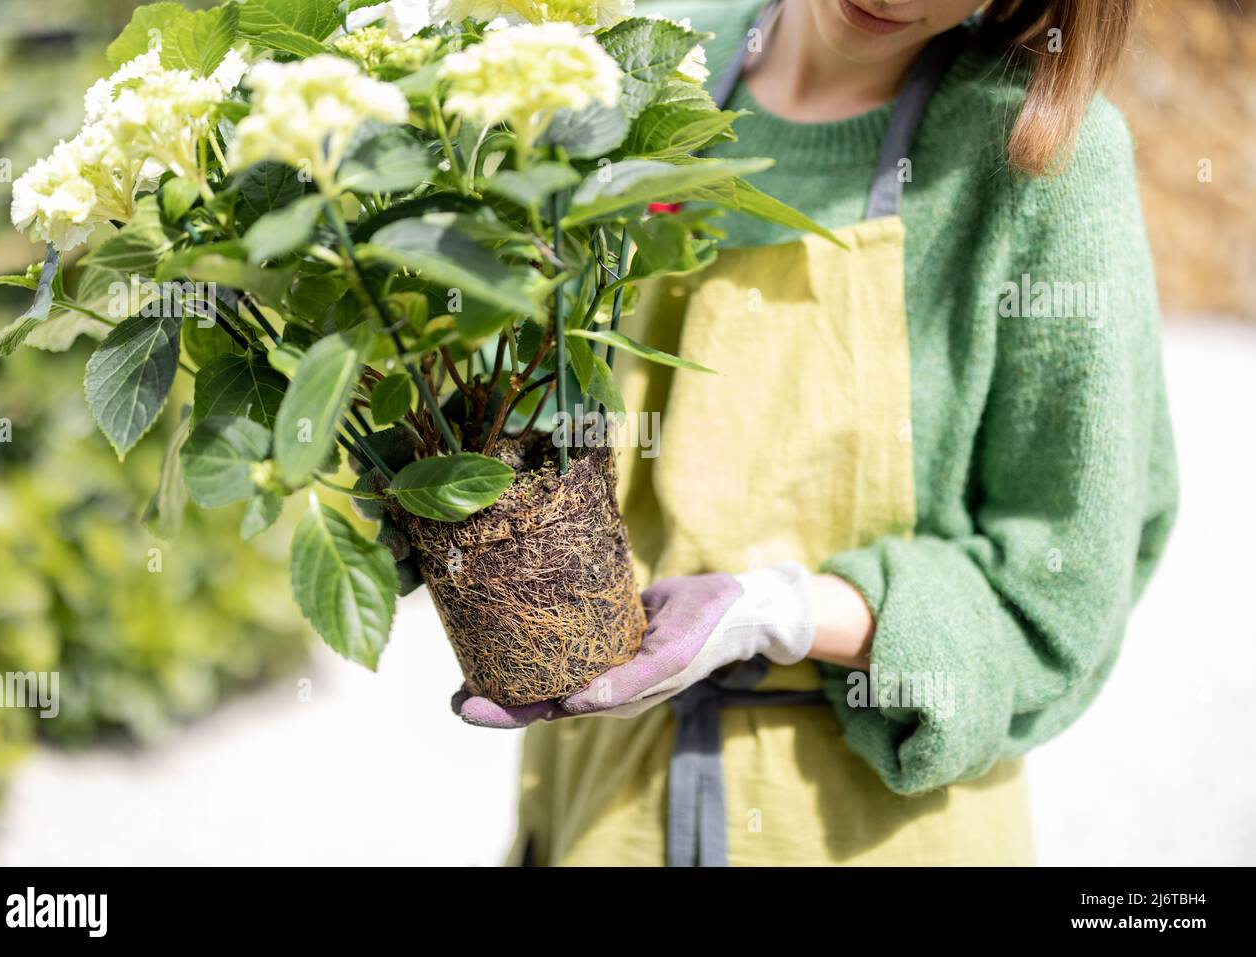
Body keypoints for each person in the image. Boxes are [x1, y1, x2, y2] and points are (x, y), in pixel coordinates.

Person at [453, 0, 1179, 866]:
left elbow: (1062, 592)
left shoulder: (1040, 153)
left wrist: (775, 613)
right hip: (606, 806)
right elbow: (503, 387)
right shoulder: (638, 72)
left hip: (863, 828)